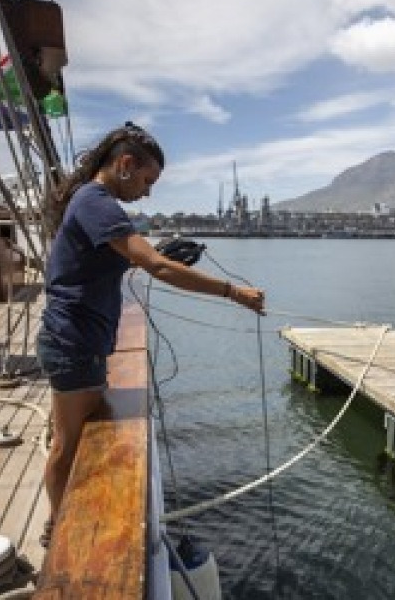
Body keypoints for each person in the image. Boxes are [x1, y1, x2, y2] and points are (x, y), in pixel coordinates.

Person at [37, 122, 264, 547]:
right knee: (67, 444)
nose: (148, 192)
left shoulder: (92, 201)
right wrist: (233, 291)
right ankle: (57, 529)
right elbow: (154, 266)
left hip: (79, 340)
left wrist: (157, 253)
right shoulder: (97, 202)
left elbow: (130, 256)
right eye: (146, 180)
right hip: (73, 342)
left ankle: (60, 521)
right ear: (125, 165)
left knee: (72, 438)